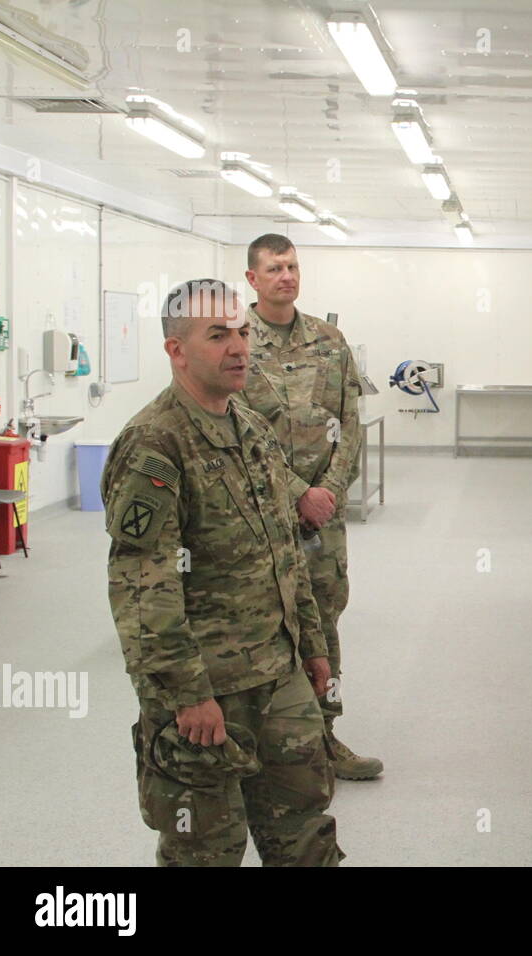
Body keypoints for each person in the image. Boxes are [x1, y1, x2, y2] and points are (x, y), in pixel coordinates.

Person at [102, 278, 342, 866]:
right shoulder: (155, 446)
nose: (238, 348)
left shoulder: (251, 429)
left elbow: (286, 553)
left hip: (278, 674)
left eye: (241, 333)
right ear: (176, 350)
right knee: (204, 849)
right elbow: (142, 591)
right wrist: (186, 696)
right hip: (206, 692)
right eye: (217, 336)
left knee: (305, 832)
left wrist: (311, 646)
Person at [239, 234, 381, 780]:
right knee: (264, 623)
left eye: (293, 266)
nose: (287, 276)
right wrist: (298, 491)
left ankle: (325, 735)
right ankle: (265, 745)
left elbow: (350, 422)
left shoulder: (329, 340)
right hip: (261, 516)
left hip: (325, 518)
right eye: (274, 268)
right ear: (252, 279)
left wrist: (330, 491)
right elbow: (237, 434)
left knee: (324, 618)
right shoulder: (236, 343)